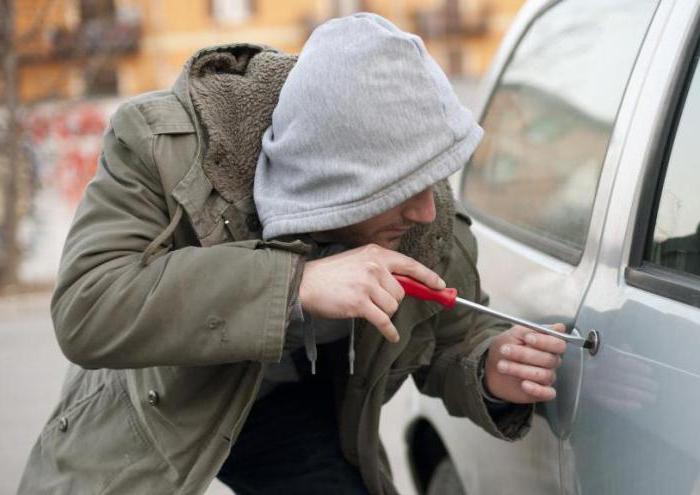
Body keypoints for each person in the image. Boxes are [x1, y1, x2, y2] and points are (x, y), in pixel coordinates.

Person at [19, 13, 566, 495]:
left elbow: (450, 336)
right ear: (336, 179)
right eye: (403, 190)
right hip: (154, 406)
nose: (426, 210)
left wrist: (489, 369)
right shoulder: (161, 145)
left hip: (290, 416)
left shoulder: (423, 210)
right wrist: (296, 283)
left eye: (433, 180)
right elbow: (89, 306)